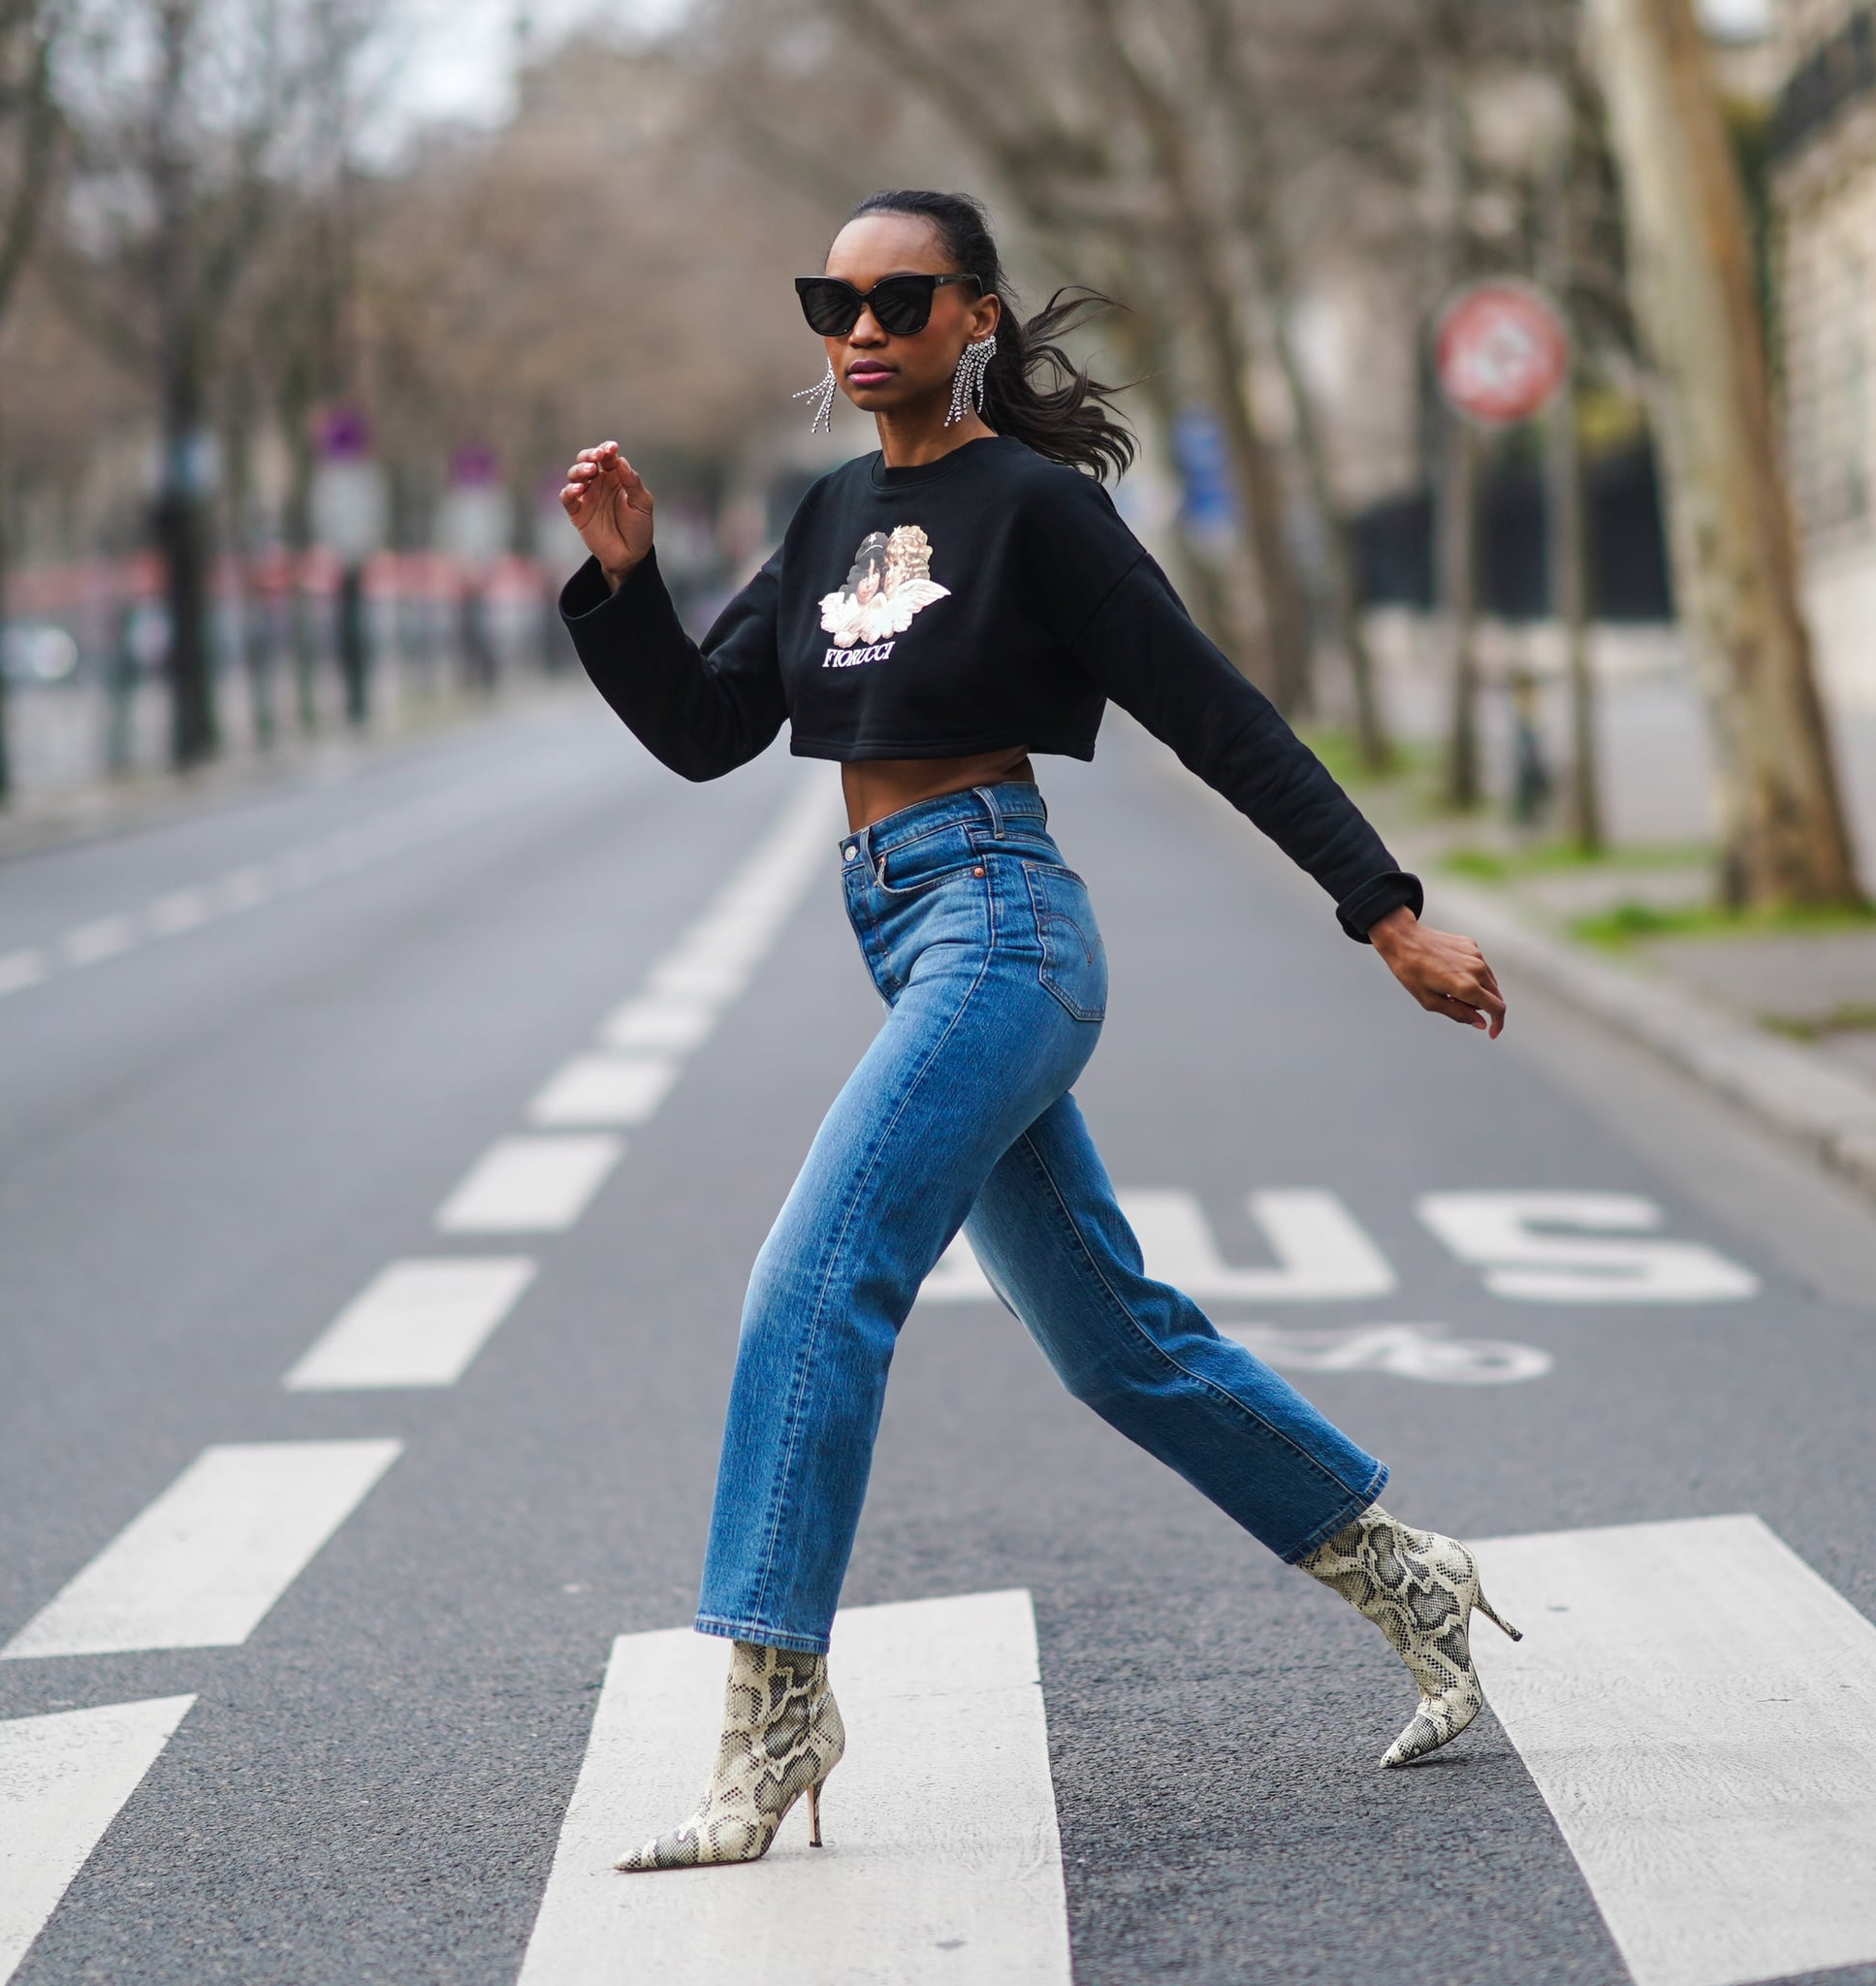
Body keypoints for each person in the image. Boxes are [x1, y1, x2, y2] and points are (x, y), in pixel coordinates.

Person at [557, 189, 1516, 1874]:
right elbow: (711, 731)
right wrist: (627, 588)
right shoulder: (827, 512)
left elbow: (1214, 711)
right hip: (901, 927)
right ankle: (1407, 1569)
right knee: (1114, 1341)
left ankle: (777, 1703)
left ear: (973, 318)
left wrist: (1387, 913)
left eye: (897, 300)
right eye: (831, 303)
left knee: (817, 1273)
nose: (858, 332)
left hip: (1003, 928)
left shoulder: (1036, 514)